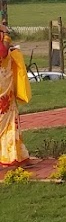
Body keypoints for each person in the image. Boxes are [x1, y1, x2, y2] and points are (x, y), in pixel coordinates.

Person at [0, 25, 31, 167]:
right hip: (3, 87)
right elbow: (2, 53)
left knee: (10, 118)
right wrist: (6, 34)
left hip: (5, 84)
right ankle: (11, 155)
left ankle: (14, 154)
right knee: (6, 118)